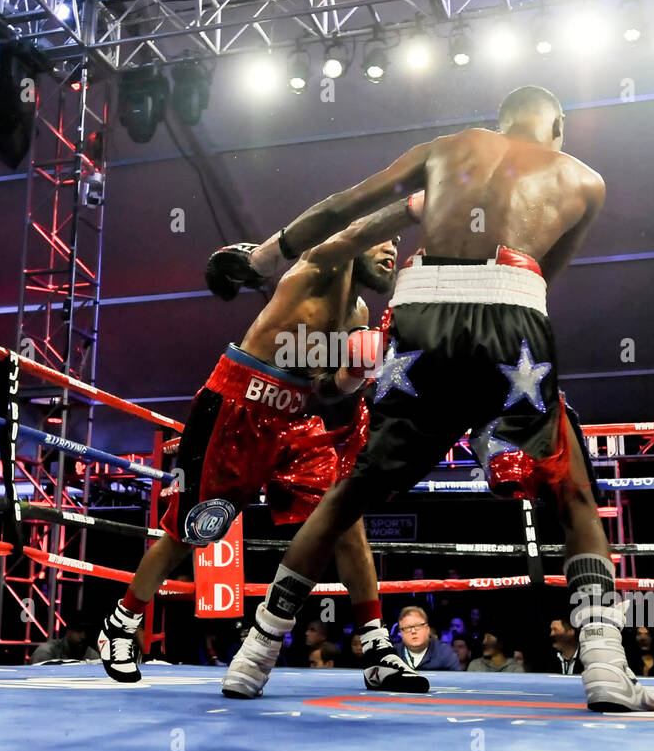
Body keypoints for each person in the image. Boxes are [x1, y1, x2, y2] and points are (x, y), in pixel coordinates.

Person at [216, 85, 654, 710]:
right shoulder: (585, 181)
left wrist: (260, 261)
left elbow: (342, 210)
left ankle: (254, 655)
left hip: (420, 316)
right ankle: (606, 669)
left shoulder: (448, 150)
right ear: (557, 127)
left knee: (354, 488)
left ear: (497, 122)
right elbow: (540, 278)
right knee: (572, 487)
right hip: (513, 311)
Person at [101, 201, 427, 697]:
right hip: (238, 404)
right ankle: (123, 622)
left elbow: (328, 386)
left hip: (294, 419)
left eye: (398, 243)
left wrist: (356, 372)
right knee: (195, 527)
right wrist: (410, 206)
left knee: (343, 515)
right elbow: (351, 221)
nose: (392, 247)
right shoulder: (322, 259)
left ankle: (377, 647)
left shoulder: (358, 313)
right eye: (385, 239)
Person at [395, 605, 462, 671]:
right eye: (407, 628)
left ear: (427, 629)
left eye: (418, 626)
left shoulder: (445, 653)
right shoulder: (391, 654)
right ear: (401, 632)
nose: (413, 631)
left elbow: (457, 680)